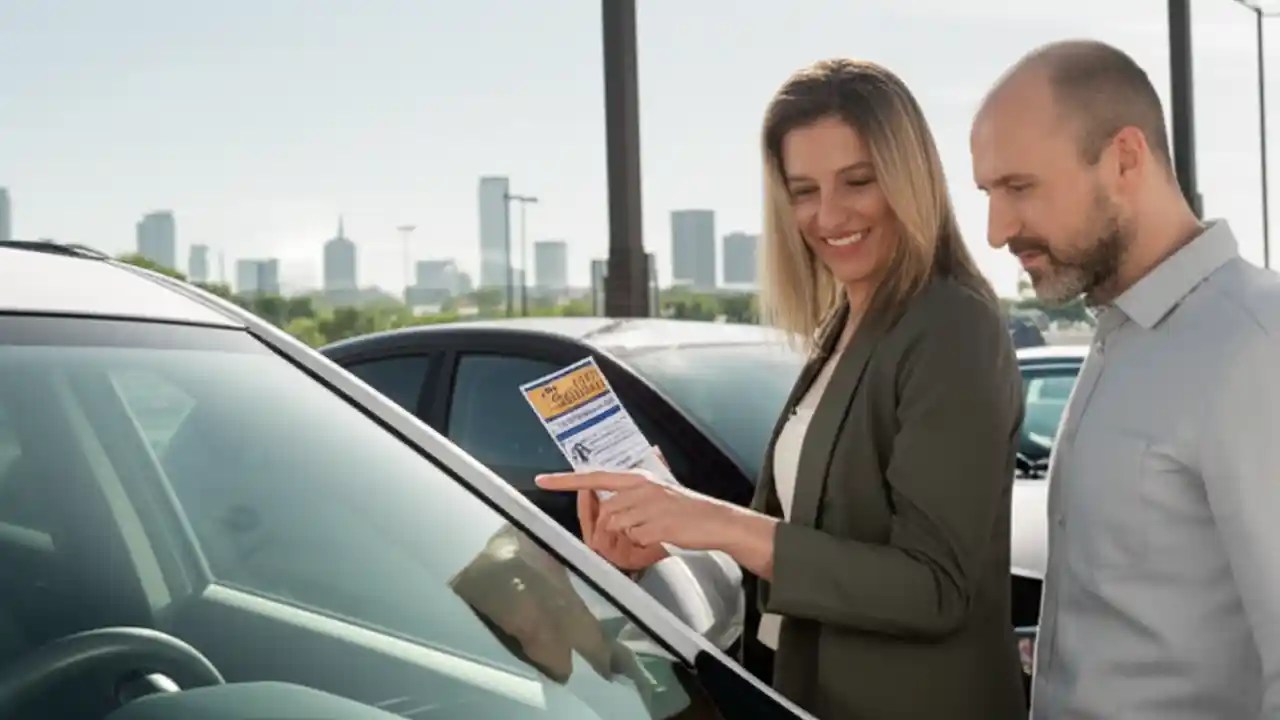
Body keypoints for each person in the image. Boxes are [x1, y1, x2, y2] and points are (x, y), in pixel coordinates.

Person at [538, 57, 1026, 719]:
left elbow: (933, 587)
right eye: (802, 190)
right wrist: (669, 531)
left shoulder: (951, 326)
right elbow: (799, 551)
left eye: (858, 180)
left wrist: (717, 522)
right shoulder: (847, 324)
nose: (828, 215)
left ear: (910, 178)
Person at [970, 40, 1280, 719]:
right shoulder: (1123, 335)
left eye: (1020, 187)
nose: (996, 231)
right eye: (989, 192)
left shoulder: (1256, 345)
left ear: (1125, 159)